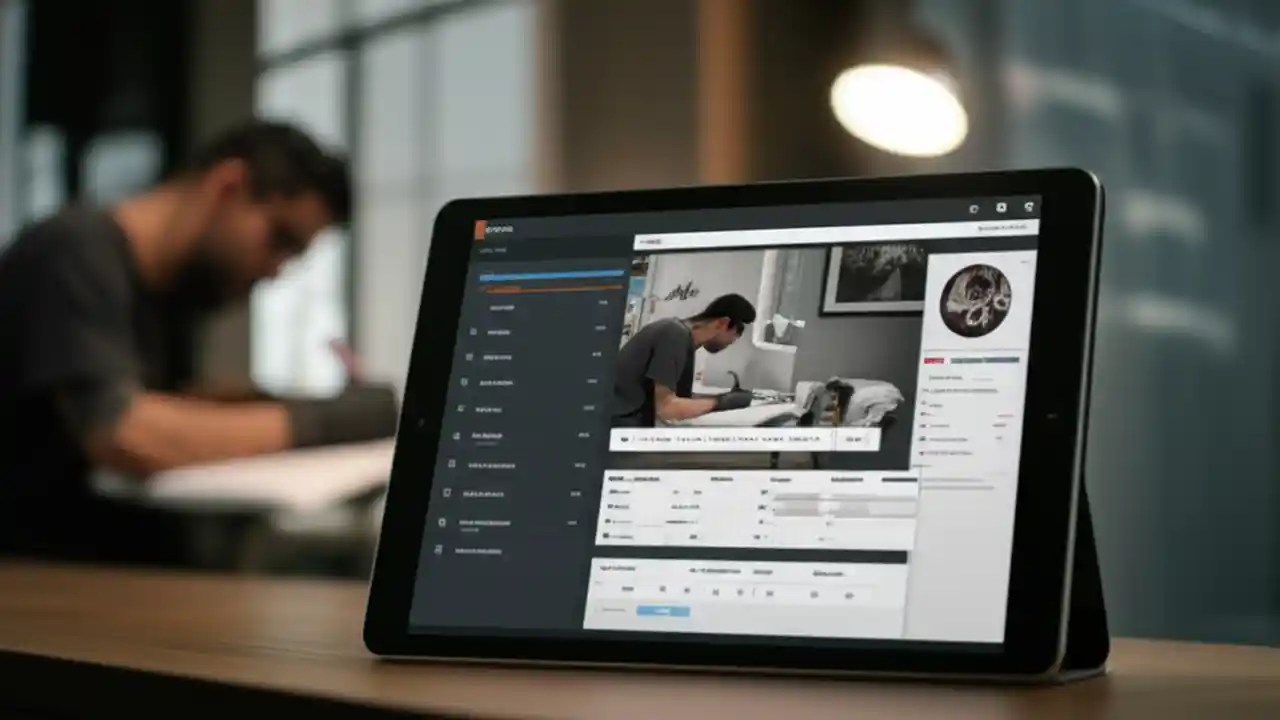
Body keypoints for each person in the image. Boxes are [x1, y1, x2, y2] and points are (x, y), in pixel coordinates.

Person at [0, 120, 398, 563]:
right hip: (31, 579)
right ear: (228, 186)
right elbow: (123, 431)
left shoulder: (165, 288)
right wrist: (327, 421)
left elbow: (168, 403)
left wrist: (279, 403)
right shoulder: (73, 253)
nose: (275, 270)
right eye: (279, 239)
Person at [612, 293, 757, 427]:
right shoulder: (674, 334)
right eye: (738, 332)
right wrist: (722, 402)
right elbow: (667, 409)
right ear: (722, 323)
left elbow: (680, 399)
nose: (734, 340)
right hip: (618, 424)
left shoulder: (683, 338)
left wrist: (726, 398)